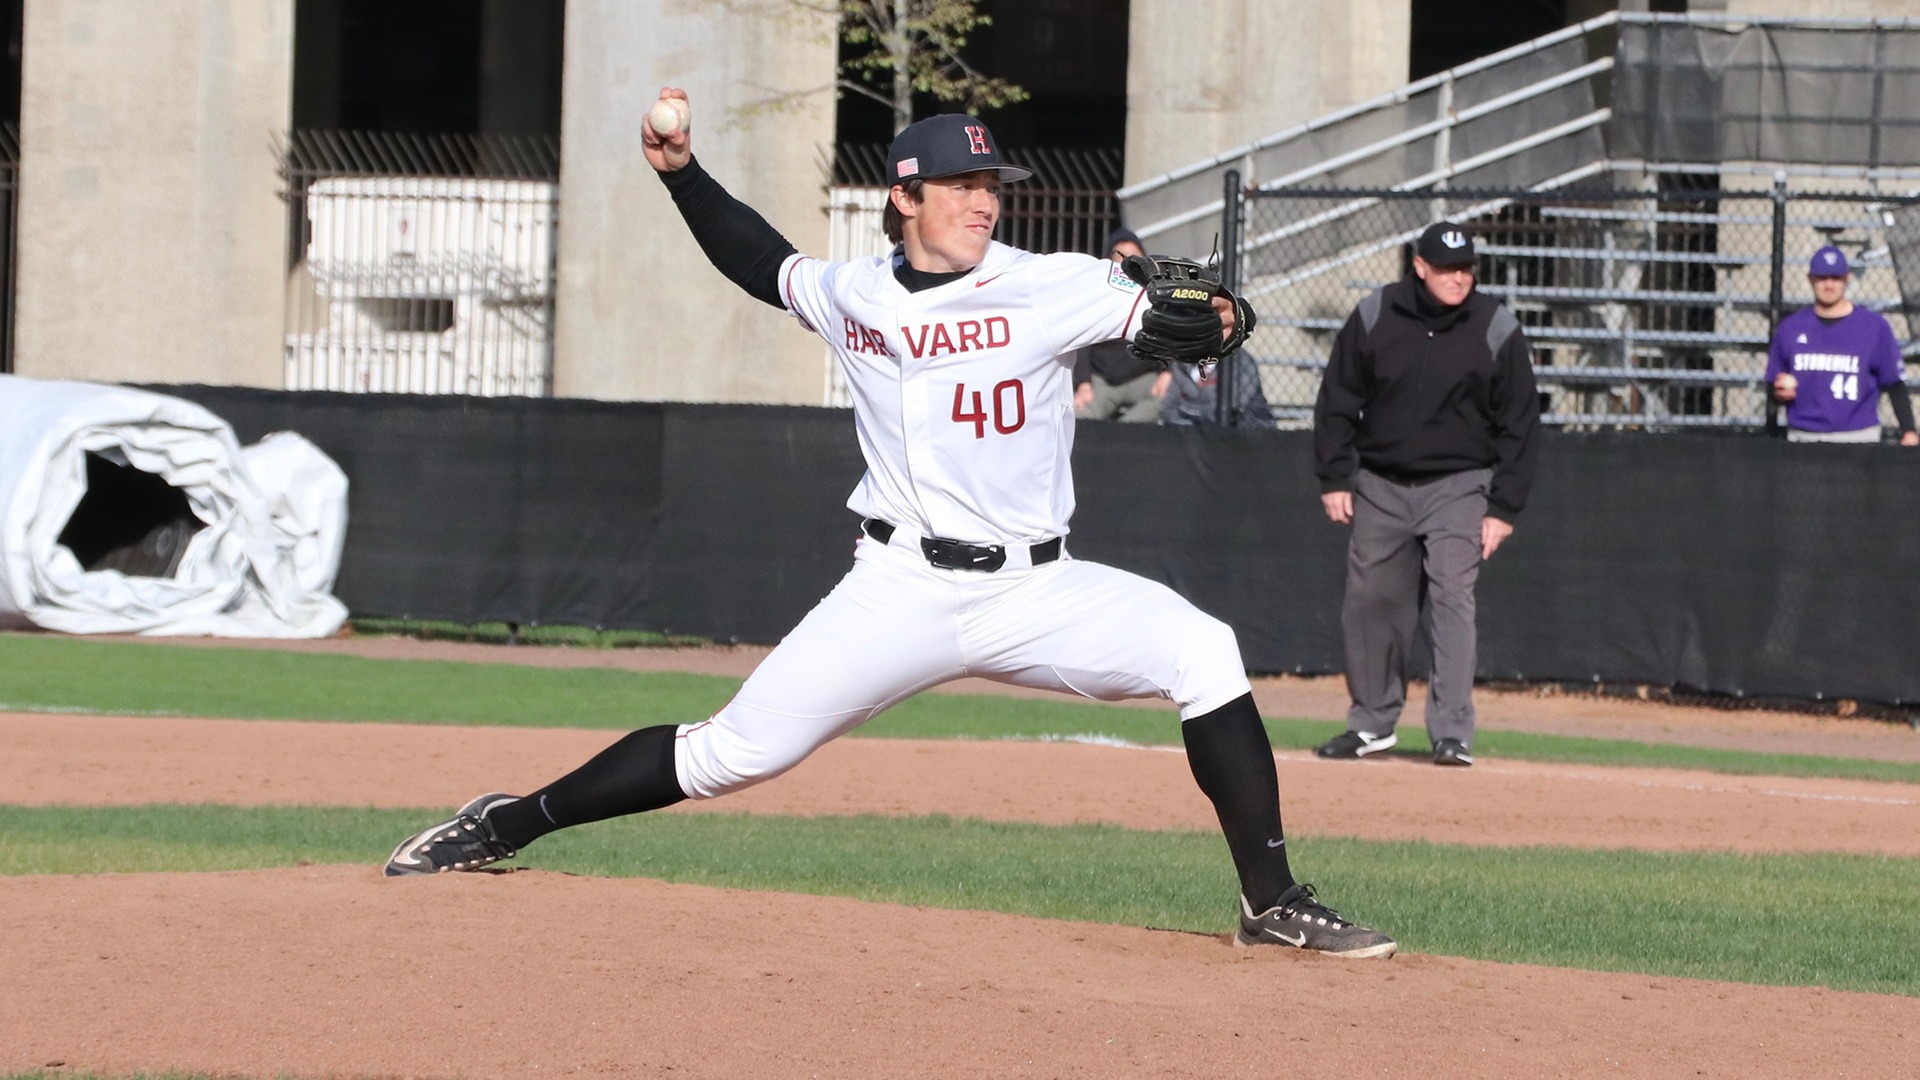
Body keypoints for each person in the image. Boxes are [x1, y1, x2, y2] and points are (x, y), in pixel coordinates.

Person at [381, 91, 1397, 959]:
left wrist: (1207, 314)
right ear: (906, 196)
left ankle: (1270, 904)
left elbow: (1189, 316)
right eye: (961, 186)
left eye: (993, 186)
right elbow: (761, 263)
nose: (984, 202)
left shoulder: (1052, 284)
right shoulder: (854, 294)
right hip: (899, 590)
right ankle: (502, 823)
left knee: (1203, 650)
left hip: (1036, 589)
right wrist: (682, 173)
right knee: (727, 756)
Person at [1310, 223, 1541, 768]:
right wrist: (1335, 475)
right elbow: (1338, 398)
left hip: (1461, 485)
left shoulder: (1495, 326)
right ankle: (1371, 723)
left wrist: (1504, 507)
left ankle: (1452, 732)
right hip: (1381, 483)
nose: (1458, 278)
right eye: (1446, 269)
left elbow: (1521, 423)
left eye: (1466, 269)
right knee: (1371, 602)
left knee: (1451, 598)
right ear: (1419, 267)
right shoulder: (1375, 314)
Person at [1766, 246, 1918, 446]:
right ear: (1810, 279)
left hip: (1858, 437)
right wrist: (1778, 393)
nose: (1829, 285)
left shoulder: (1873, 327)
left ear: (1847, 278)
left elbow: (1894, 383)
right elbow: (1772, 383)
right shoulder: (1791, 327)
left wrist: (1908, 431)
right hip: (1803, 436)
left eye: (1835, 278)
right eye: (1822, 278)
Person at [1071, 228, 1166, 422]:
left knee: (1165, 401)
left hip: (1143, 378)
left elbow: (1171, 338)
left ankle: (1122, 433)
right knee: (1079, 414)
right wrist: (1083, 384)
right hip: (1103, 381)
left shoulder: (1156, 297)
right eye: (1121, 257)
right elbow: (1082, 345)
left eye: (1134, 257)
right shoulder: (1096, 297)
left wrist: (1167, 374)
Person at [1157, 351, 1275, 428]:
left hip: (1247, 436)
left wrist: (1186, 409)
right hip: (1193, 436)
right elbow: (1168, 408)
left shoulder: (1242, 362)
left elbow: (1230, 410)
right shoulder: (1182, 363)